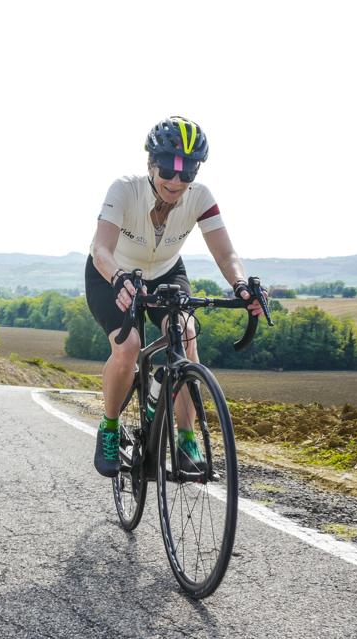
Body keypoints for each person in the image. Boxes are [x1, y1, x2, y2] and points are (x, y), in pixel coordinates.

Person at [87, 116, 265, 477]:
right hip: (113, 273)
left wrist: (241, 284)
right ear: (151, 164)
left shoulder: (200, 198)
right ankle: (108, 428)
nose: (176, 181)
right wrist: (119, 277)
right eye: (168, 168)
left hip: (167, 273)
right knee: (128, 346)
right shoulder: (124, 190)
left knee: (184, 334)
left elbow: (226, 254)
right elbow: (99, 248)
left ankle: (185, 440)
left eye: (188, 172)